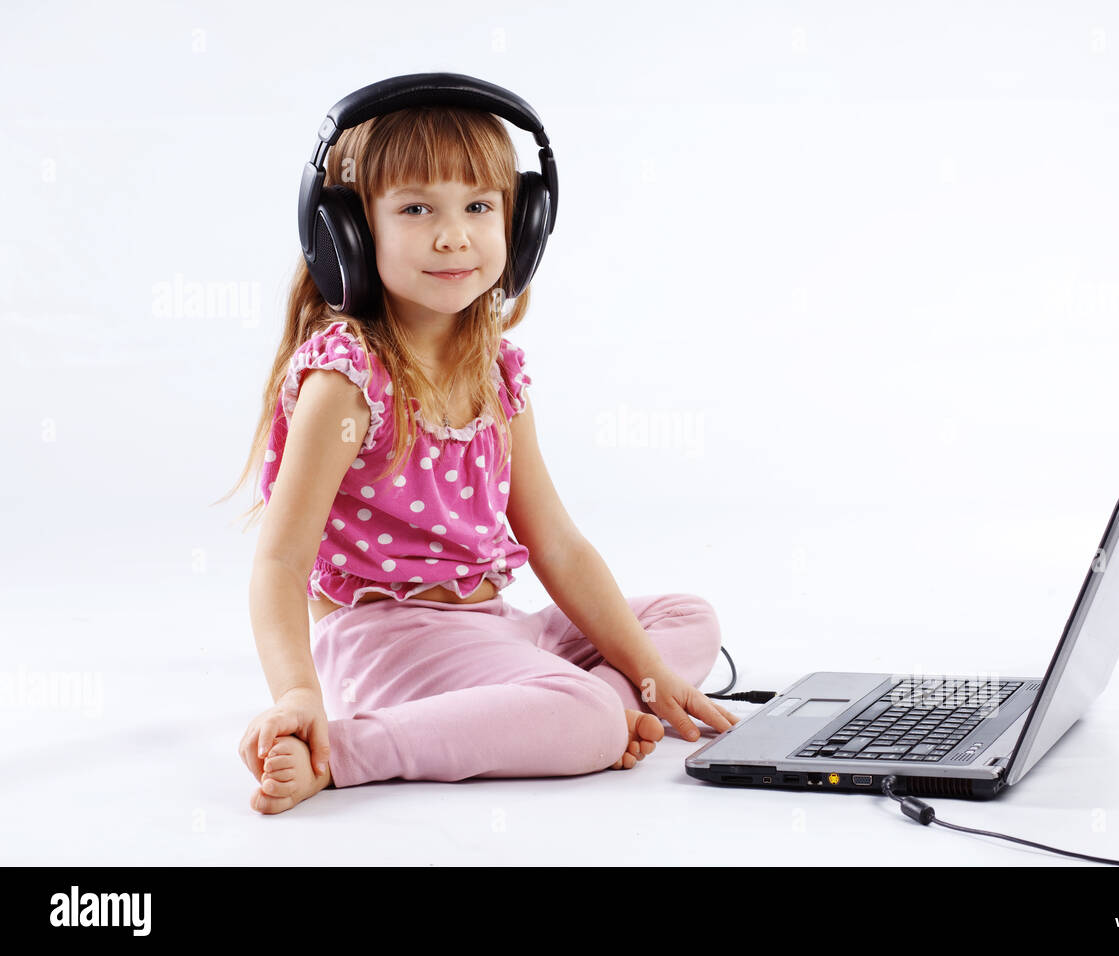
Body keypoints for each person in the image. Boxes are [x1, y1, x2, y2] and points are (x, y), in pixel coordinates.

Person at [216, 98, 739, 814]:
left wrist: (648, 677)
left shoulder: (495, 370)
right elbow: (279, 563)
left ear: (520, 227)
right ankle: (349, 751)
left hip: (494, 623)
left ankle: (580, 709)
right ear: (347, 231)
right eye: (416, 211)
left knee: (686, 618)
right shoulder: (347, 381)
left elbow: (554, 540)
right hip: (388, 643)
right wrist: (298, 692)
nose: (453, 237)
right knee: (584, 718)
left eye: (479, 207)